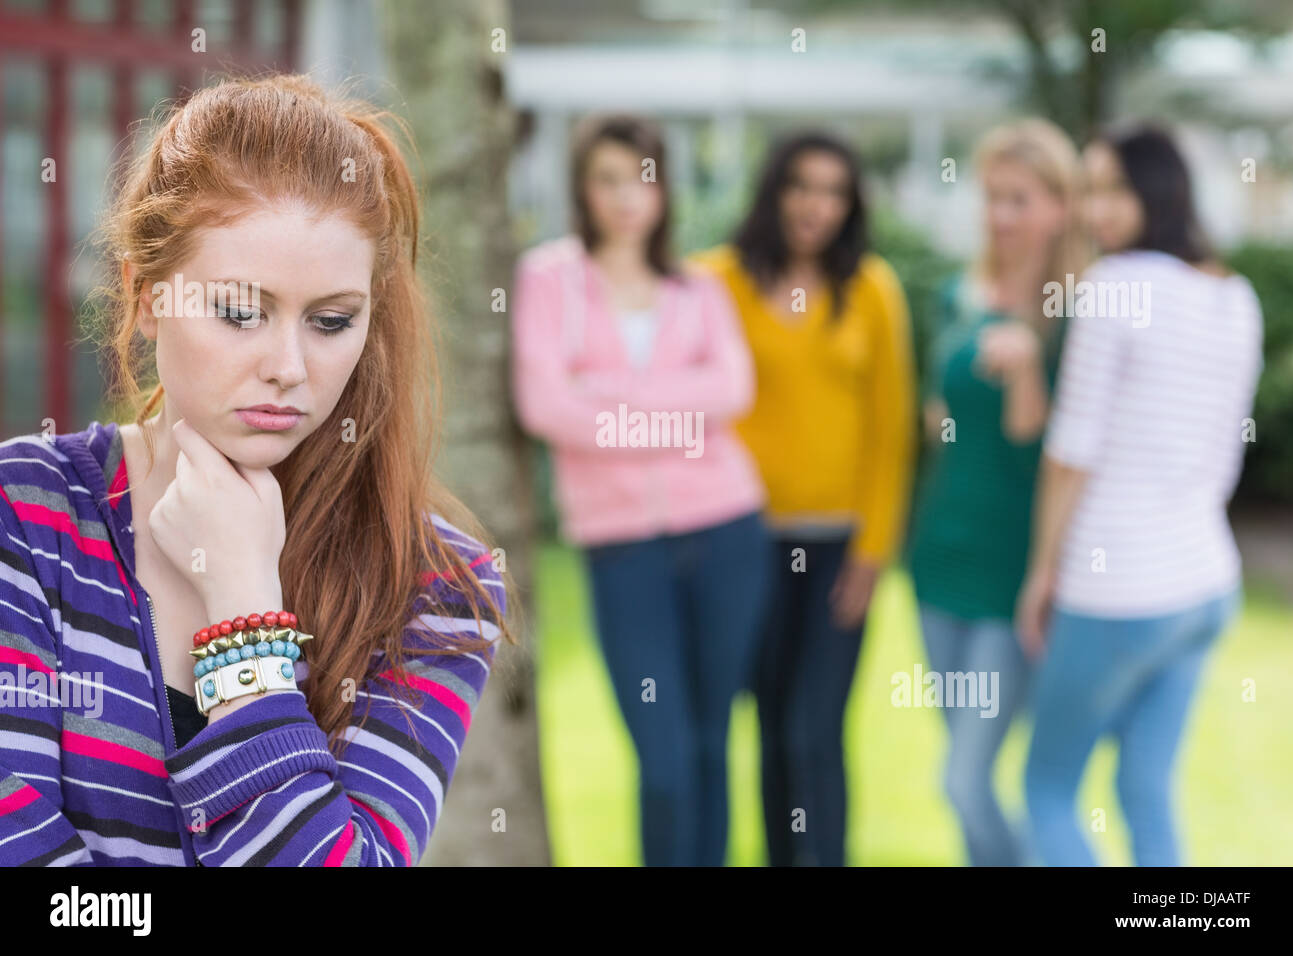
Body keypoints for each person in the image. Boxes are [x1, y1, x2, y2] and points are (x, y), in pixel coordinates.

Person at [0, 74, 510, 866]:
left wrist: (239, 609)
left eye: (332, 321)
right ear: (145, 297)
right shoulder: (24, 516)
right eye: (240, 312)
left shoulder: (437, 586)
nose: (289, 367)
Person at [511, 114, 769, 866]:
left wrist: (608, 397)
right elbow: (547, 408)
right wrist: (674, 407)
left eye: (643, 177)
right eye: (609, 179)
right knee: (663, 760)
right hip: (621, 546)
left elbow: (733, 390)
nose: (628, 197)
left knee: (712, 746)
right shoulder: (549, 278)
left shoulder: (700, 287)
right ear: (582, 189)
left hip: (727, 529)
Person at [1016, 124, 1263, 866]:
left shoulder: (1113, 286)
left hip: (1119, 586)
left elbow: (1072, 451)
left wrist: (1041, 572)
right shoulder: (1233, 296)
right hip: (1205, 582)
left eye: (1113, 188)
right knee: (1146, 788)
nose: (1097, 208)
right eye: (1089, 189)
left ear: (1157, 191)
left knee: (1048, 790)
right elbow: (1225, 452)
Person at [691, 131, 916, 866]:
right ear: (774, 192)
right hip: (739, 542)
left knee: (811, 728)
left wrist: (874, 553)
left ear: (850, 205)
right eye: (801, 186)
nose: (815, 206)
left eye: (833, 191)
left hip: (836, 548)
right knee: (766, 725)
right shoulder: (716, 280)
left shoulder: (873, 289)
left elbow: (893, 432)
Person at [906, 119, 1088, 865]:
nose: (1001, 215)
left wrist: (1023, 372)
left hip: (1015, 570)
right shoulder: (961, 292)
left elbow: (1050, 454)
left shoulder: (1079, 309)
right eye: (991, 198)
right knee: (964, 767)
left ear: (1061, 205)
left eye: (1020, 199)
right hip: (940, 557)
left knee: (965, 781)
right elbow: (938, 408)